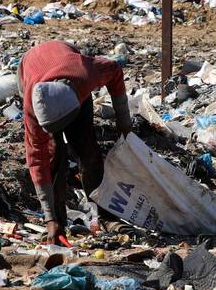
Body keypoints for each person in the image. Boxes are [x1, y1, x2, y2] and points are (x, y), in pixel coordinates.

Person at [20, 40, 132, 242]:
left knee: (88, 150)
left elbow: (115, 70)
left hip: (70, 75)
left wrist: (123, 119)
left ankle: (106, 216)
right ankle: (57, 223)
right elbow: (37, 161)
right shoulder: (33, 110)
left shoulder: (86, 74)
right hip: (30, 69)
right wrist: (48, 218)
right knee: (54, 154)